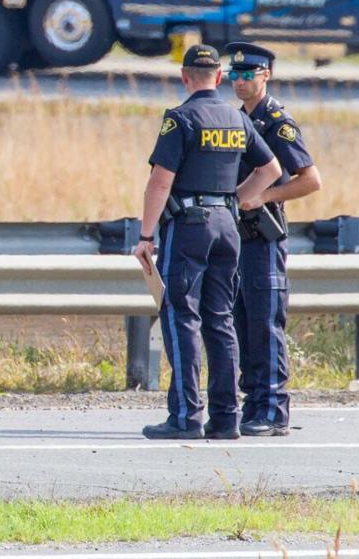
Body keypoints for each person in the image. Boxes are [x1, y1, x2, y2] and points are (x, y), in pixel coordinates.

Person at [134, 44, 281, 440]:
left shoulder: (180, 119)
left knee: (181, 317)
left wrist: (146, 236)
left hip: (189, 227)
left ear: (185, 77)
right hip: (227, 227)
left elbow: (160, 182)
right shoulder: (237, 119)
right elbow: (272, 168)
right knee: (220, 321)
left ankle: (185, 417)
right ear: (219, 77)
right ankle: (226, 418)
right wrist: (240, 198)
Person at [224, 42, 322, 437]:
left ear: (266, 75)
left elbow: (311, 181)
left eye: (248, 75)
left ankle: (272, 408)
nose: (240, 82)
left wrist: (262, 196)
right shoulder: (235, 119)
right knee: (242, 321)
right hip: (237, 235)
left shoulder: (276, 121)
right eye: (235, 75)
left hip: (264, 234)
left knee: (265, 322)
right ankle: (253, 404)